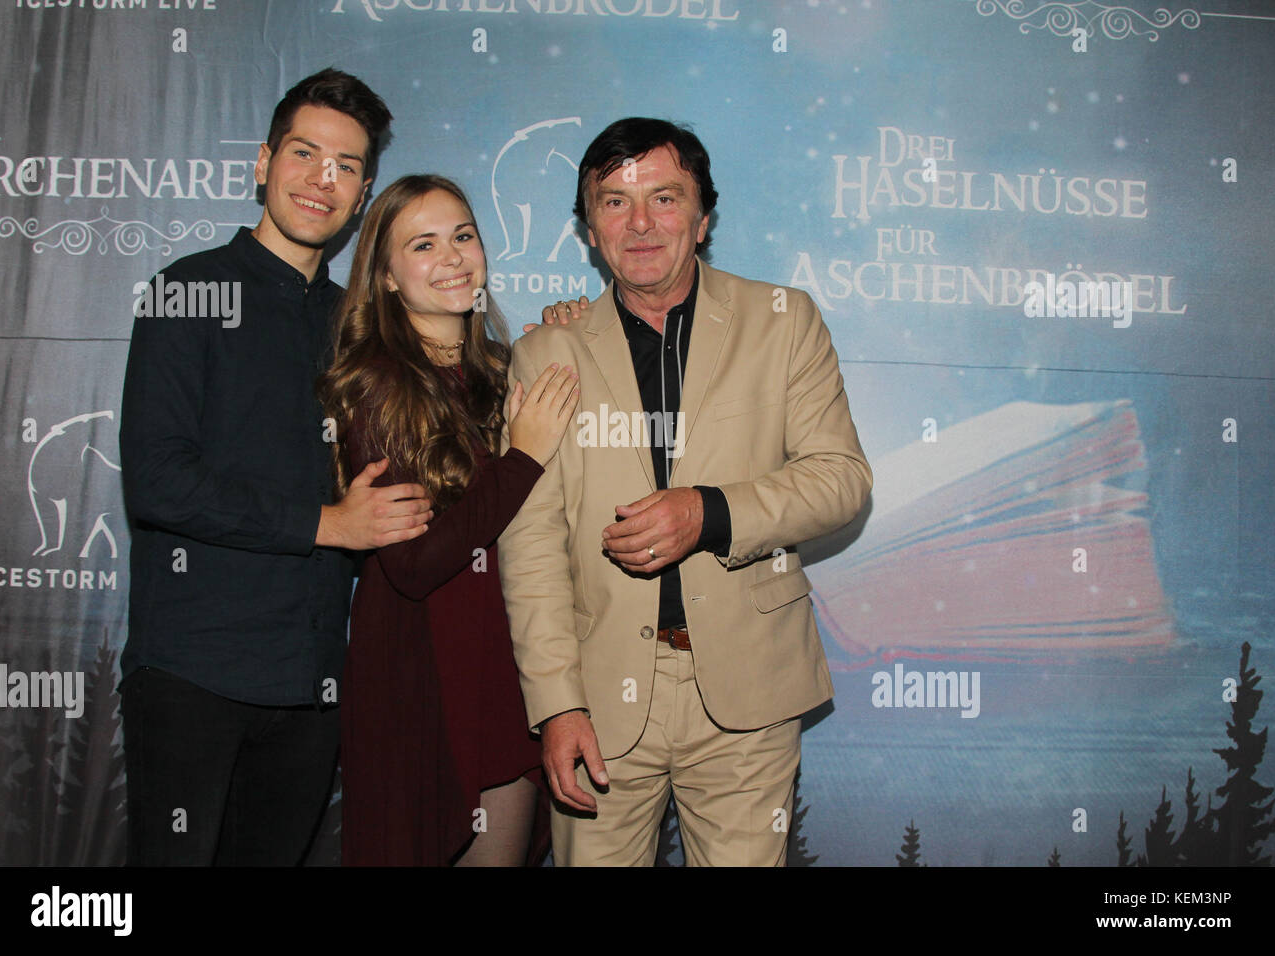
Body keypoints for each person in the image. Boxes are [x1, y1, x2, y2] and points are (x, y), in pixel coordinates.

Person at [498, 117, 873, 866]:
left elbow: (841, 481)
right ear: (588, 229)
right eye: (613, 201)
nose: (640, 223)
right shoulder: (546, 352)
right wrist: (557, 704)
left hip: (749, 695)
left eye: (664, 198)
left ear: (702, 219)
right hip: (597, 699)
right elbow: (529, 542)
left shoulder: (783, 321)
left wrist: (711, 512)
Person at [118, 69, 433, 866]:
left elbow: (458, 371)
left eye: (347, 165)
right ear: (263, 162)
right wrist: (327, 524)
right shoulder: (183, 293)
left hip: (313, 683)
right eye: (304, 153)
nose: (322, 180)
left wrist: (567, 326)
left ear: (363, 194)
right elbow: (156, 479)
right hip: (194, 674)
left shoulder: (358, 326)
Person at [319, 175, 579, 866]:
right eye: (424, 244)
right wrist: (522, 456)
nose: (454, 256)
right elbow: (415, 564)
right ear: (387, 277)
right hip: (419, 685)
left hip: (506, 673)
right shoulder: (376, 386)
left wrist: (570, 348)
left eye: (463, 235)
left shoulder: (503, 371)